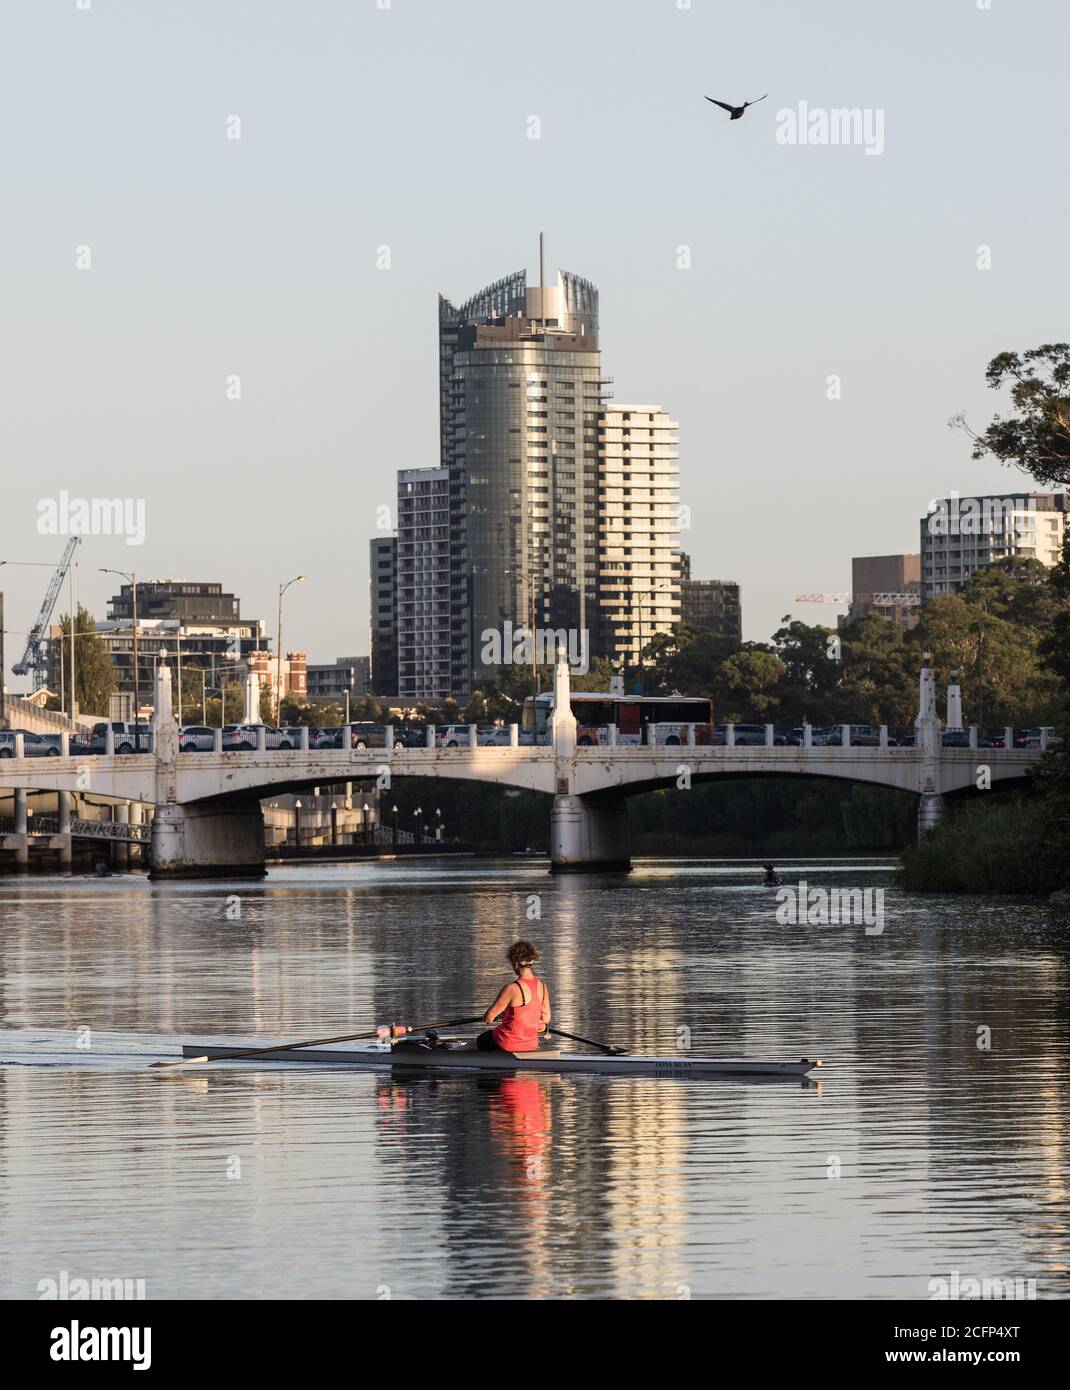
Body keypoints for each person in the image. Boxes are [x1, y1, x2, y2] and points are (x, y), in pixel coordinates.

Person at [467, 941, 551, 1053]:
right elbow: (545, 1020)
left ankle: (449, 1055)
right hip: (531, 1044)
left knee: (481, 1040)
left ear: (515, 962)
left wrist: (502, 1014)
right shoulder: (543, 986)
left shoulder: (512, 988)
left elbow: (489, 1018)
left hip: (505, 1042)